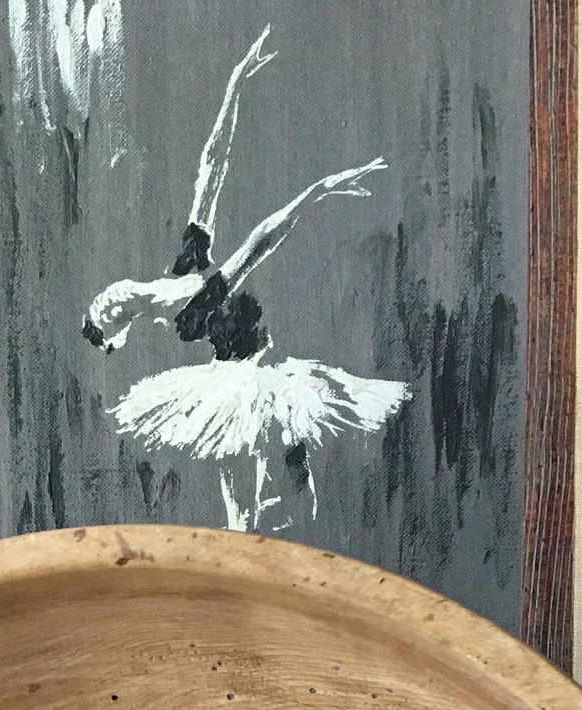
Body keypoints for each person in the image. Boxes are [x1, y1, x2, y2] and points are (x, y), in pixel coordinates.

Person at [83, 27, 409, 531]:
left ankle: (275, 540)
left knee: (278, 486)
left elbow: (216, 168)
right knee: (257, 492)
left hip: (258, 383)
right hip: (237, 390)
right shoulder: (189, 285)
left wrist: (235, 84)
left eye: (111, 334)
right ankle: (260, 543)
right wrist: (317, 190)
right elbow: (254, 229)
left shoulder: (189, 271)